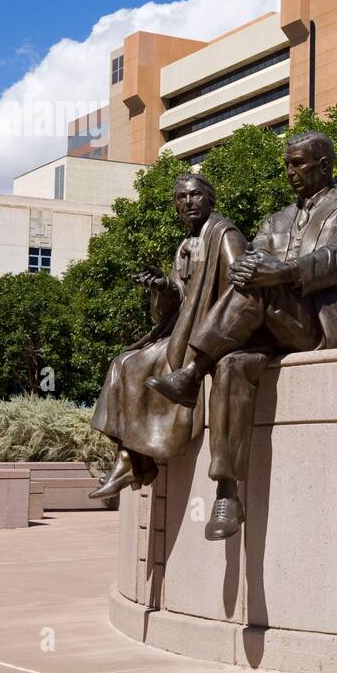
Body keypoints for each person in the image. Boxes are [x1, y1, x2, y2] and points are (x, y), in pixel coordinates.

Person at [146, 131, 337, 539]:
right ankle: (227, 493)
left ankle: (189, 372)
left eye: (299, 164)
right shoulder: (275, 220)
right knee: (232, 363)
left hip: (321, 326)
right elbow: (252, 260)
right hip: (266, 325)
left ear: (323, 165)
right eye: (287, 164)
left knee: (257, 283)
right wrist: (245, 270)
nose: (290, 172)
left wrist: (281, 272)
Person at [88, 173, 246, 501]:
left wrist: (207, 333)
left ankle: (134, 461)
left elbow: (238, 289)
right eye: (180, 198)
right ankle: (131, 458)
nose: (187, 202)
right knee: (121, 363)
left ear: (210, 200)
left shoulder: (224, 234)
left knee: (138, 365)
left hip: (209, 333)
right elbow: (177, 302)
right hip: (182, 330)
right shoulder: (186, 246)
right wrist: (162, 287)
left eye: (195, 195)